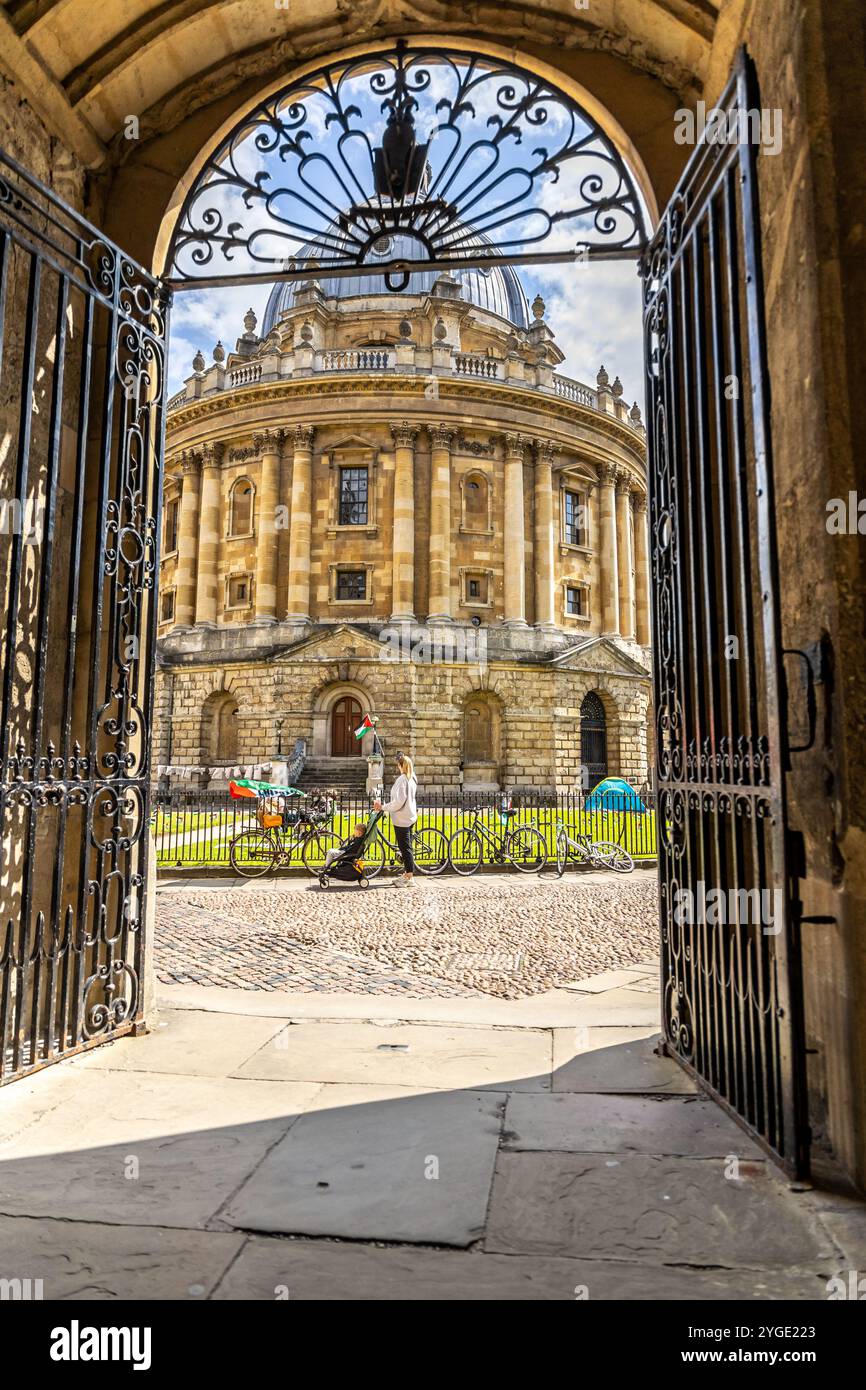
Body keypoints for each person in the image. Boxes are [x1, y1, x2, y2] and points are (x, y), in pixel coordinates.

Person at [374, 753, 417, 886]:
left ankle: (409, 877)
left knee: (405, 848)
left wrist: (383, 807)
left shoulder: (403, 780)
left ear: (401, 766)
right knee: (406, 847)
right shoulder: (412, 778)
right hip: (409, 816)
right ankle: (407, 874)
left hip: (402, 819)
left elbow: (398, 802)